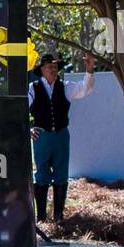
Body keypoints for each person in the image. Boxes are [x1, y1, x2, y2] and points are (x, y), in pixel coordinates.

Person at [28, 50, 96, 222]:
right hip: (42, 136)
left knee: (61, 173)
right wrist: (28, 129)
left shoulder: (65, 86)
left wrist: (89, 70)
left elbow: (85, 89)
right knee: (41, 174)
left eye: (55, 67)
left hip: (61, 135)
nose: (53, 69)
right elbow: (21, 108)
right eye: (49, 66)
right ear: (42, 69)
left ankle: (58, 216)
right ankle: (41, 217)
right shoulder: (33, 88)